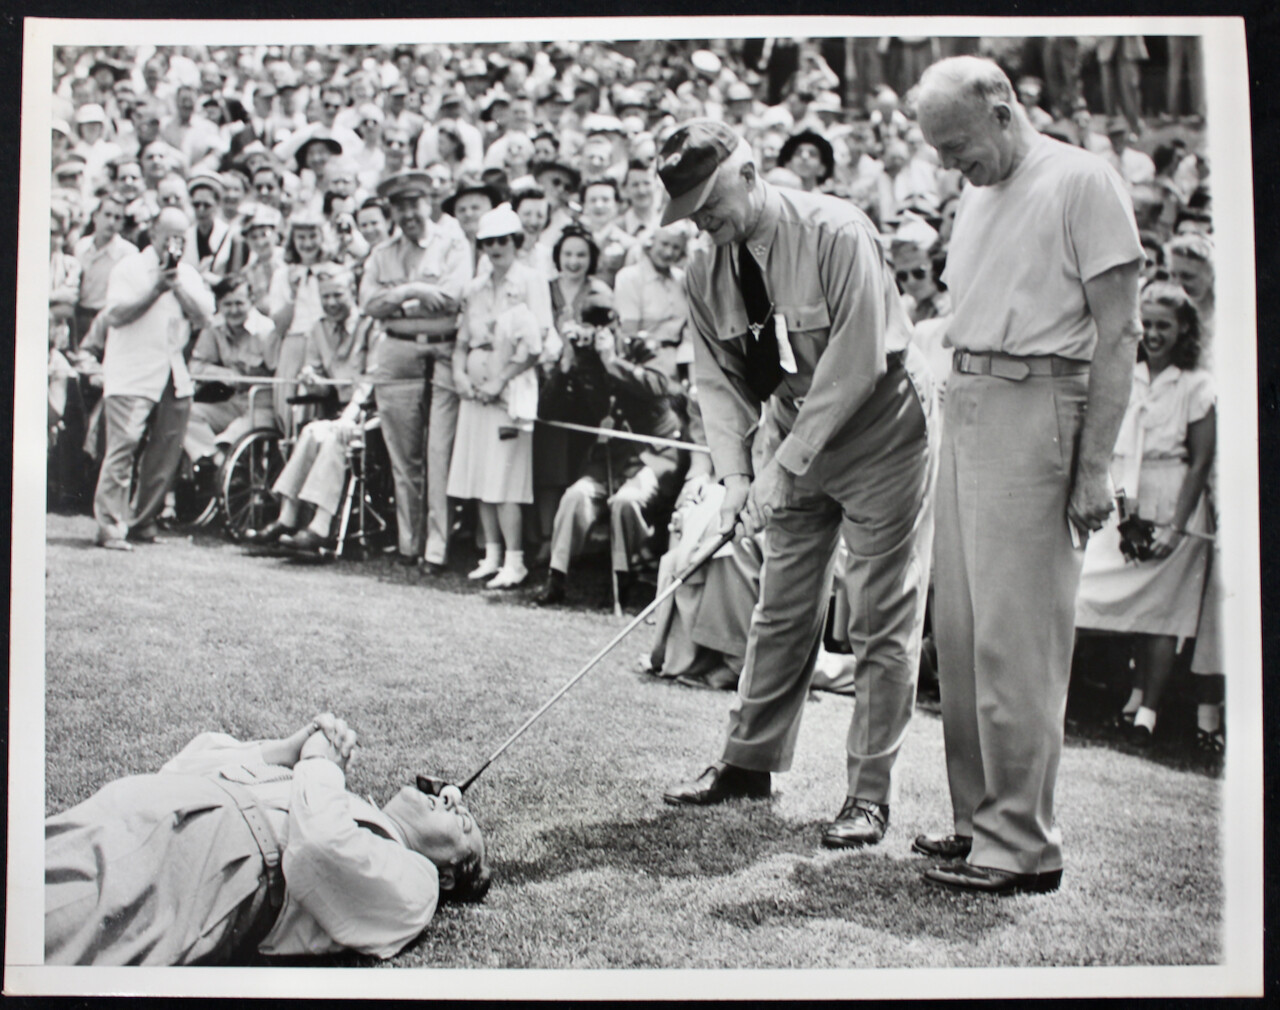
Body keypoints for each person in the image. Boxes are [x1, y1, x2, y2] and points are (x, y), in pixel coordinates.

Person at [657, 120, 938, 857]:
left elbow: (856, 362)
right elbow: (715, 383)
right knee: (779, 606)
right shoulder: (704, 268)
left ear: (749, 172)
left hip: (881, 429)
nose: (701, 222)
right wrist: (739, 477)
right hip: (789, 431)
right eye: (688, 210)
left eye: (708, 201)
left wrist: (785, 465)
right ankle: (748, 765)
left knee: (878, 612)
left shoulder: (838, 231)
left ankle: (868, 796)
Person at [912, 57, 1143, 894]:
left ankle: (1023, 846)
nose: (948, 164)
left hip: (1040, 403)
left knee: (1018, 640)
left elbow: (1119, 335)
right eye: (937, 149)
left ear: (1003, 108)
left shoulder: (1082, 179)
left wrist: (1095, 469)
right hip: (970, 402)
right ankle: (980, 823)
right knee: (966, 636)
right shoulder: (979, 194)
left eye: (958, 144)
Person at [45, 712, 489, 965]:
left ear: (448, 875)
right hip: (132, 809)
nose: (452, 798)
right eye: (453, 797)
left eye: (463, 824)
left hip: (199, 868)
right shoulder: (329, 794)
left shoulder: (417, 886)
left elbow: (323, 851)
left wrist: (322, 766)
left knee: (43, 933)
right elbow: (186, 764)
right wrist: (287, 750)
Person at [1075, 282, 1214, 746]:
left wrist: (1176, 528)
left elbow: (1198, 461)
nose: (1153, 334)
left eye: (1164, 326)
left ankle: (1146, 715)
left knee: (1161, 612)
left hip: (1173, 499)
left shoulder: (1197, 385)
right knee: (1083, 589)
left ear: (1184, 330)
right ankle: (1065, 698)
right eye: (1147, 324)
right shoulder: (1124, 373)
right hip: (1124, 497)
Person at [533, 288, 685, 607]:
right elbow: (549, 410)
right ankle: (556, 579)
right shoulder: (581, 357)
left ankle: (624, 576)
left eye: (604, 325)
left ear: (616, 324)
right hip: (609, 456)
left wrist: (613, 362)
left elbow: (661, 386)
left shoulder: (641, 347)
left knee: (627, 502)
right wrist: (567, 362)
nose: (599, 333)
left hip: (652, 454)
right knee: (575, 497)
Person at [361, 169, 473, 569]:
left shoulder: (452, 241)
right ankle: (410, 544)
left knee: (438, 453)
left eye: (414, 203)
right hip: (396, 356)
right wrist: (412, 291)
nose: (408, 213)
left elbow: (451, 297)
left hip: (442, 353)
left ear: (430, 202)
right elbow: (369, 304)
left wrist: (398, 301)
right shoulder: (382, 252)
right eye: (399, 206)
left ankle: (437, 549)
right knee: (404, 457)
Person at [92, 207, 215, 549]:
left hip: (173, 374)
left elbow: (205, 316)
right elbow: (115, 315)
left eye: (181, 238)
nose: (174, 244)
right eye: (169, 237)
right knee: (124, 446)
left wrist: (176, 286)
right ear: (154, 235)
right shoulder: (129, 268)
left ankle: (143, 522)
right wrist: (156, 289)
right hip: (131, 372)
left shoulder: (187, 274)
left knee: (166, 451)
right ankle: (110, 526)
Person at [447, 204, 553, 588]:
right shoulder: (474, 288)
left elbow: (537, 344)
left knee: (506, 478)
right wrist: (460, 375)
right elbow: (461, 343)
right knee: (480, 474)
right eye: (487, 242)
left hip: (512, 393)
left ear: (516, 242)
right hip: (475, 394)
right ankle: (491, 554)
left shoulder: (531, 280)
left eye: (502, 241)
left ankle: (515, 560)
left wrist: (500, 381)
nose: (495, 248)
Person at [247, 270, 372, 553]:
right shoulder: (318, 329)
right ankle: (287, 517)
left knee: (333, 438)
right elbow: (319, 381)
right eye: (325, 296)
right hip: (338, 412)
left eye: (337, 294)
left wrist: (350, 415)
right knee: (310, 432)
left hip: (367, 413)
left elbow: (371, 379)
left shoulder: (369, 326)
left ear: (353, 290)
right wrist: (310, 377)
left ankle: (321, 527)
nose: (331, 302)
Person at [184, 273, 280, 464]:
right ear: (219, 304)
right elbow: (196, 365)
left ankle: (222, 464)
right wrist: (225, 374)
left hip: (265, 406)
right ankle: (213, 463)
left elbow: (277, 372)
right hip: (235, 403)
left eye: (239, 303)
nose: (233, 310)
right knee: (187, 415)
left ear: (251, 301)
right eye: (227, 304)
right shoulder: (215, 327)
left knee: (231, 436)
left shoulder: (266, 331)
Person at [612, 222, 692, 383]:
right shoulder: (630, 277)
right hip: (645, 361)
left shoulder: (681, 279)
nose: (669, 252)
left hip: (681, 362)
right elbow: (629, 334)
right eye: (664, 244)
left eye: (676, 247)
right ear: (650, 242)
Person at [73, 194, 134, 349]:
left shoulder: (128, 253)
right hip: (80, 316)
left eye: (118, 217)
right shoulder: (80, 247)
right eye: (107, 215)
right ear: (95, 216)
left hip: (107, 320)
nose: (111, 222)